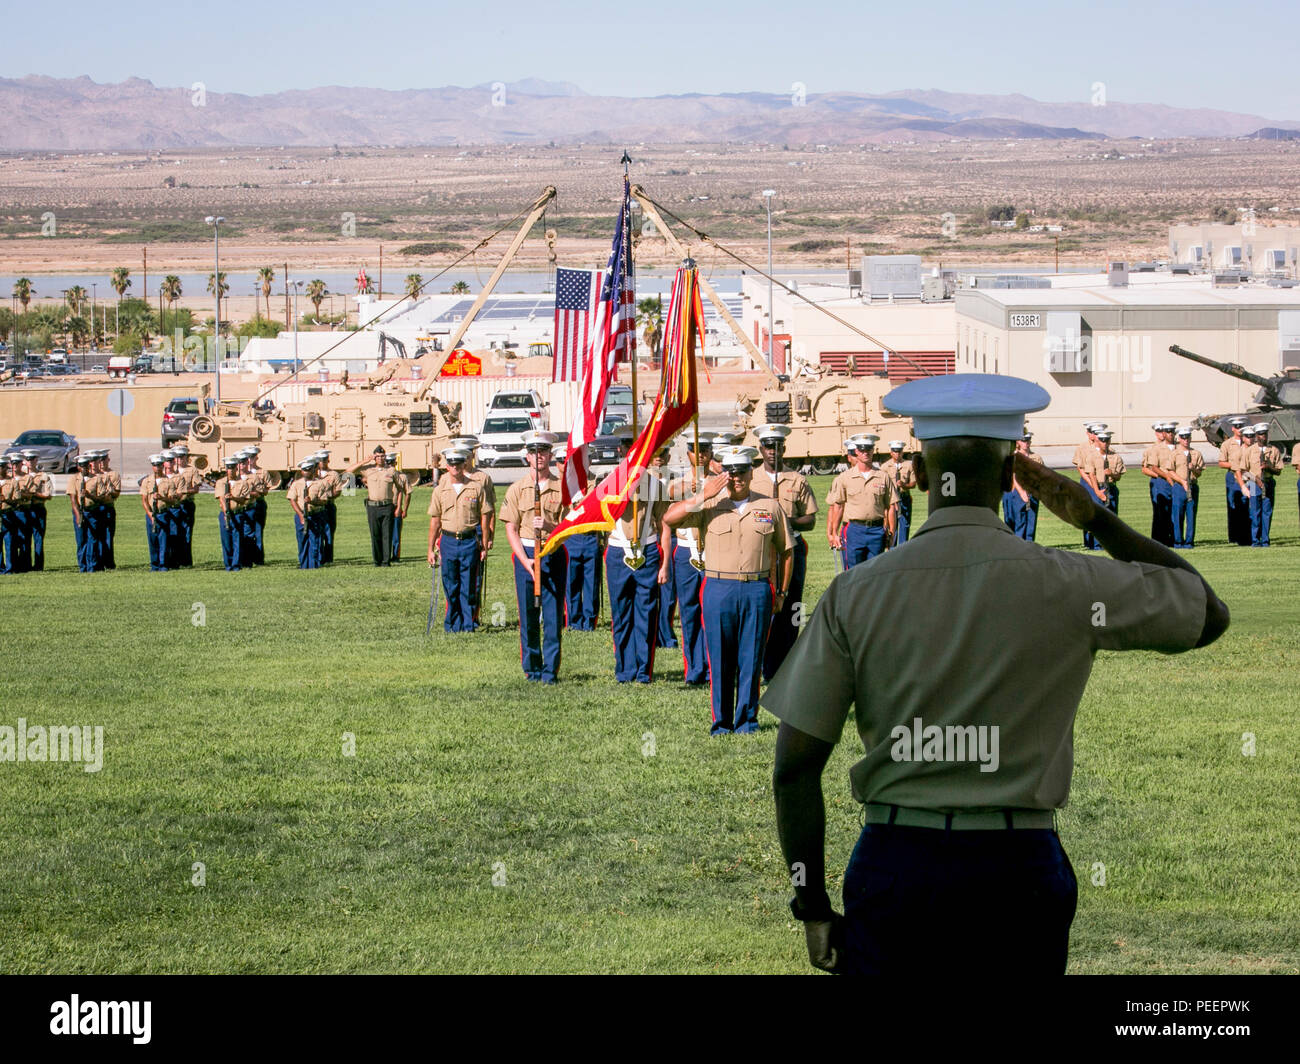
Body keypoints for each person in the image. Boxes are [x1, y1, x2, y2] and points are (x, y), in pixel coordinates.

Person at [764, 373, 1229, 976]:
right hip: (1018, 864)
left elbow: (795, 767)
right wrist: (1097, 519)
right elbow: (1206, 612)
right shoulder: (1068, 582)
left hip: (899, 860)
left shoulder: (858, 593)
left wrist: (814, 906)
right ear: (1014, 475)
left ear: (922, 475)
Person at [663, 446, 793, 735]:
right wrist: (703, 495)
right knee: (720, 658)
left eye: (742, 471)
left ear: (750, 472)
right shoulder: (710, 505)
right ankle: (722, 722)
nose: (737, 478)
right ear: (724, 474)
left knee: (751, 658)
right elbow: (670, 519)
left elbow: (786, 551)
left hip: (757, 589)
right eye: (731, 472)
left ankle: (747, 721)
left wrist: (781, 593)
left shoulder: (769, 506)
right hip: (719, 587)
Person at [751, 424, 818, 682]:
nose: (772, 451)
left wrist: (787, 521)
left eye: (777, 446)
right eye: (768, 446)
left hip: (791, 549)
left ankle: (787, 665)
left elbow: (810, 519)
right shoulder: (752, 479)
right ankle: (762, 666)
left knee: (792, 605)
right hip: (761, 550)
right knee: (762, 606)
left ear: (784, 448)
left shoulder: (797, 479)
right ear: (761, 449)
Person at [501, 431, 565, 683]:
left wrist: (549, 526)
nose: (539, 456)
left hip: (552, 551)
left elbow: (568, 526)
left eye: (544, 451)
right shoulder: (517, 489)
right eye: (534, 452)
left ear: (550, 455)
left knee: (552, 615)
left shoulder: (561, 488)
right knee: (527, 615)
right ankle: (532, 667)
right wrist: (523, 559)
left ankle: (550, 670)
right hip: (526, 553)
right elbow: (510, 528)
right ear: (527, 456)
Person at [606, 430, 669, 684]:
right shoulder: (609, 481)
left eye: (637, 447)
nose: (631, 451)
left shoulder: (655, 484)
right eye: (626, 447)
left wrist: (665, 564)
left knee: (646, 613)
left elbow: (664, 525)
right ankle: (624, 669)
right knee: (621, 613)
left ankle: (644, 670)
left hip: (648, 550)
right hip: (618, 550)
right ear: (621, 450)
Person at [661, 435, 713, 685]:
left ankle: (714, 666)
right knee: (689, 613)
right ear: (687, 454)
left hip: (714, 552)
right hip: (687, 551)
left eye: (705, 449)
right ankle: (694, 667)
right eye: (695, 450)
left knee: (713, 613)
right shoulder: (677, 486)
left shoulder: (719, 483)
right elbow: (669, 519)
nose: (700, 454)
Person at [428, 446, 492, 632]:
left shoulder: (476, 487)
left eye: (458, 464)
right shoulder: (440, 490)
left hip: (469, 541)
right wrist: (430, 549)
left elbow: (485, 517)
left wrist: (484, 546)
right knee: (450, 584)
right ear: (446, 467)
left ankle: (468, 623)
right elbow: (435, 521)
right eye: (451, 464)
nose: (455, 467)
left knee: (469, 584)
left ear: (464, 464)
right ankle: (452, 623)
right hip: (448, 541)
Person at [825, 434, 897, 567]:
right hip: (855, 530)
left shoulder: (883, 477)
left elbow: (891, 506)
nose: (865, 453)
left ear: (873, 450)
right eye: (862, 450)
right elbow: (838, 506)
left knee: (875, 572)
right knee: (854, 571)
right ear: (856, 452)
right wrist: (834, 532)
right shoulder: (845, 477)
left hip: (876, 530)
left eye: (868, 449)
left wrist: (891, 531)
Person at [447, 436, 496, 623]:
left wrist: (490, 535)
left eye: (467, 455)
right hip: (453, 531)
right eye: (460, 455)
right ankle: (453, 615)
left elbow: (490, 509)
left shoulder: (482, 478)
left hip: (476, 531)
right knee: (452, 578)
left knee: (474, 578)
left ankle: (472, 616)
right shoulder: (447, 478)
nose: (464, 459)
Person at [561, 457, 603, 632]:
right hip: (572, 537)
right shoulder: (567, 483)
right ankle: (574, 620)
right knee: (571, 582)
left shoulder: (598, 482)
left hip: (591, 536)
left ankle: (589, 622)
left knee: (591, 582)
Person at [650, 446, 679, 650]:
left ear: (669, 455)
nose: (659, 458)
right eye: (655, 454)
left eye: (663, 454)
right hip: (650, 538)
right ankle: (653, 633)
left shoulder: (677, 480)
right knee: (650, 592)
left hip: (672, 538)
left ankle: (666, 632)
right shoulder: (642, 479)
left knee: (668, 592)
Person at [351, 446, 399, 566]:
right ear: (374, 457)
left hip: (387, 505)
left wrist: (397, 505)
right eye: (377, 456)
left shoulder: (391, 470)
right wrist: (364, 461)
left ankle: (386, 561)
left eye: (382, 456)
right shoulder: (368, 469)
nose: (380, 458)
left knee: (387, 534)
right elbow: (349, 471)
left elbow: (400, 487)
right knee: (375, 534)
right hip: (372, 506)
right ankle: (377, 560)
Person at [1082, 431, 1125, 550]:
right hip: (1099, 487)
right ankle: (1097, 544)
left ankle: (1111, 543)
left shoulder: (1115, 456)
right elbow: (1091, 475)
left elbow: (1119, 476)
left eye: (1107, 440)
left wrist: (1112, 473)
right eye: (1102, 440)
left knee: (1112, 517)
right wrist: (1097, 491)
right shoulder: (1092, 456)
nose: (1105, 443)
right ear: (1097, 441)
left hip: (1111, 487)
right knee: (1097, 517)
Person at [1218, 417, 1250, 545]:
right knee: (1233, 505)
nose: (1239, 429)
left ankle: (1248, 534)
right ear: (1232, 429)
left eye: (1241, 426)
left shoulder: (1249, 441)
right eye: (1236, 427)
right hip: (1233, 476)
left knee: (1249, 505)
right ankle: (1234, 536)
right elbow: (1221, 463)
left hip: (1248, 476)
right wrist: (1234, 465)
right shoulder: (1227, 444)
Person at [169, 444, 202, 567]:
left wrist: (184, 491)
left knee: (186, 533)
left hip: (186, 504)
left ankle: (186, 561)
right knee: (174, 533)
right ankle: (174, 560)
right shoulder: (170, 471)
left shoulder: (191, 470)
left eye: (181, 457)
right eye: (176, 457)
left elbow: (196, 488)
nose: (179, 460)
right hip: (173, 505)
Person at [1173, 427, 1205, 548]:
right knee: (1178, 515)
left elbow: (1199, 473)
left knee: (1191, 515)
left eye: (1188, 437)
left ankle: (1189, 541)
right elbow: (1170, 471)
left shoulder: (1196, 454)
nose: (1186, 440)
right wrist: (1181, 481)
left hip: (1192, 486)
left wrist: (1194, 469)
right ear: (1179, 439)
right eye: (1183, 437)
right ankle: (1178, 541)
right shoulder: (1175, 454)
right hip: (1179, 487)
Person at [20, 450, 52, 570]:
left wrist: (32, 494)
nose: (29, 462)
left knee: (38, 538)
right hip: (25, 509)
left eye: (32, 459)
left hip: (38, 509)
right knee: (25, 538)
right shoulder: (21, 476)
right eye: (27, 459)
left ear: (36, 460)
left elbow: (48, 495)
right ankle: (26, 564)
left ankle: (38, 565)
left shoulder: (43, 476)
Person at [881, 441, 917, 544]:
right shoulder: (885, 467)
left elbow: (913, 483)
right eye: (895, 452)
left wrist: (904, 485)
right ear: (891, 453)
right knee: (892, 527)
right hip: (891, 500)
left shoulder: (909, 465)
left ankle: (903, 548)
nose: (897, 454)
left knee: (905, 525)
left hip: (904, 498)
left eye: (899, 451)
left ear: (902, 452)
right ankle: (892, 549)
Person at [287, 458, 318, 568]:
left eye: (309, 469)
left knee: (314, 541)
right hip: (301, 515)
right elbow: (292, 500)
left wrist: (313, 501)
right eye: (304, 470)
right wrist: (300, 515)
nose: (307, 472)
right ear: (301, 471)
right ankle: (304, 564)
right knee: (302, 541)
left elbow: (324, 500)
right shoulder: (296, 484)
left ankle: (314, 565)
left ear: (313, 470)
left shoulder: (318, 483)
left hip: (314, 514)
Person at [214, 456, 243, 571]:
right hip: (225, 514)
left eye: (232, 468)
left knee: (237, 540)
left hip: (237, 513)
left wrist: (233, 497)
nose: (230, 471)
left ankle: (236, 564)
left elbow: (244, 500)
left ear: (236, 468)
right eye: (228, 468)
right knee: (226, 540)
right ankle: (228, 564)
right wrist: (226, 512)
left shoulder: (241, 482)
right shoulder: (221, 482)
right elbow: (221, 498)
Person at [141, 454, 169, 571]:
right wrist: (150, 514)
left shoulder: (167, 481)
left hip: (163, 513)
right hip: (151, 514)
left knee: (163, 540)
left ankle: (163, 564)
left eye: (158, 465)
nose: (156, 468)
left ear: (162, 466)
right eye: (154, 465)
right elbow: (144, 500)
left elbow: (172, 499)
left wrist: (162, 498)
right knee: (152, 540)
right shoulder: (147, 481)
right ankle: (154, 564)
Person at [314, 451, 343, 563]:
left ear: (328, 461)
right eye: (320, 461)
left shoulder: (333, 474)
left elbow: (338, 491)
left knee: (329, 533)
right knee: (318, 532)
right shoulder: (314, 474)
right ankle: (319, 557)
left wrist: (327, 496)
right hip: (316, 507)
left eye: (324, 460)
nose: (322, 463)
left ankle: (328, 557)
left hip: (328, 506)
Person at [68, 454, 92, 572]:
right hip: (80, 512)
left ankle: (92, 565)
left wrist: (89, 495)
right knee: (81, 540)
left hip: (92, 512)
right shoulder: (74, 479)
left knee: (92, 540)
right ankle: (83, 566)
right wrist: (78, 515)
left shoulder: (95, 478)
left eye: (86, 465)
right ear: (78, 467)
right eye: (82, 466)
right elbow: (73, 499)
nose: (85, 468)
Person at [386, 451, 410, 561]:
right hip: (384, 506)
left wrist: (404, 509)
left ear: (395, 463)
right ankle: (385, 555)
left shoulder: (402, 476)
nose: (389, 465)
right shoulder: (383, 476)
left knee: (396, 534)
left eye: (391, 463)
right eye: (387, 463)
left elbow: (408, 493)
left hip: (396, 507)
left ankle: (395, 556)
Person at [0, 456, 20, 574]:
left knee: (9, 543)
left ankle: (10, 568)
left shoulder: (12, 481)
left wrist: (6, 500)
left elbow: (17, 501)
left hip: (8, 514)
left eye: (3, 467)